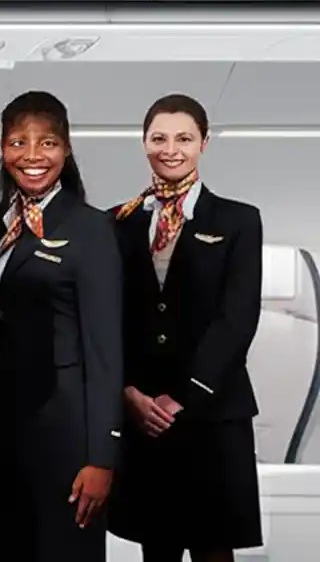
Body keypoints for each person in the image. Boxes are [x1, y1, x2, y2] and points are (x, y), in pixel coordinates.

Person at [107, 94, 263, 562]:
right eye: (158, 138)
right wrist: (127, 392)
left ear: (204, 143)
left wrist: (183, 396)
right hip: (144, 414)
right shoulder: (117, 222)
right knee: (158, 547)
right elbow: (109, 318)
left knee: (214, 547)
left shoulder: (237, 220)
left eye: (183, 138)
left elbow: (236, 319)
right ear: (143, 143)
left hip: (211, 411)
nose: (170, 148)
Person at [0, 91, 123, 562]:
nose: (33, 156)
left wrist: (102, 456)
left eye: (47, 143)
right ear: (2, 148)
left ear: (67, 148)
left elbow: (105, 350)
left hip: (64, 435)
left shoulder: (90, 228)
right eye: (18, 142)